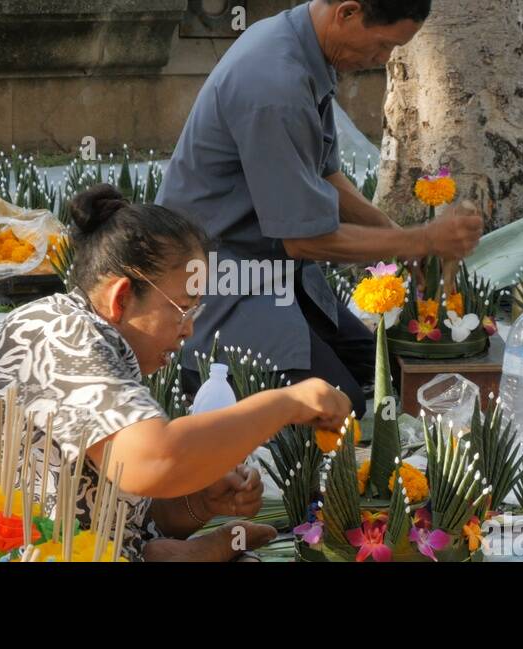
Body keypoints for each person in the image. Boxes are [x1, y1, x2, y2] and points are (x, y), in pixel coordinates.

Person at [0, 185, 352, 561]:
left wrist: (197, 504)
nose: (189, 329)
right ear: (123, 297)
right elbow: (152, 462)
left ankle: (163, 553)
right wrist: (286, 402)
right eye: (183, 307)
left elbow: (126, 493)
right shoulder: (67, 335)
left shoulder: (92, 338)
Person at [157, 0, 483, 416]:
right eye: (382, 45)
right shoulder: (275, 83)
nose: (380, 60)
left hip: (270, 268)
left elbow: (326, 175)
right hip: (215, 281)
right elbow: (304, 238)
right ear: (346, 12)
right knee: (339, 406)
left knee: (377, 368)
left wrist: (402, 240)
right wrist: (418, 240)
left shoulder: (300, 42)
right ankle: (198, 379)